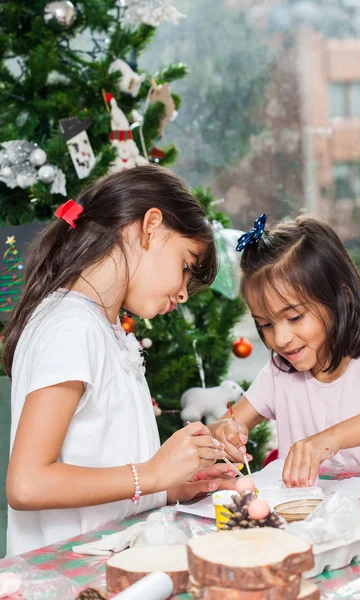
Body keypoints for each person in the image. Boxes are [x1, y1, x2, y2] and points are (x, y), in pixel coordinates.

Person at [4, 165, 235, 556]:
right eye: (184, 266)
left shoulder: (102, 328)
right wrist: (154, 473)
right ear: (151, 225)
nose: (182, 294)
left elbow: (107, 472)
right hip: (68, 579)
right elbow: (27, 484)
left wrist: (173, 485)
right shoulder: (71, 326)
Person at [210, 214, 360, 488]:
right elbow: (219, 429)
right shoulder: (278, 375)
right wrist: (224, 432)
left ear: (341, 296)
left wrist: (329, 438)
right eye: (265, 324)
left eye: (295, 317)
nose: (281, 338)